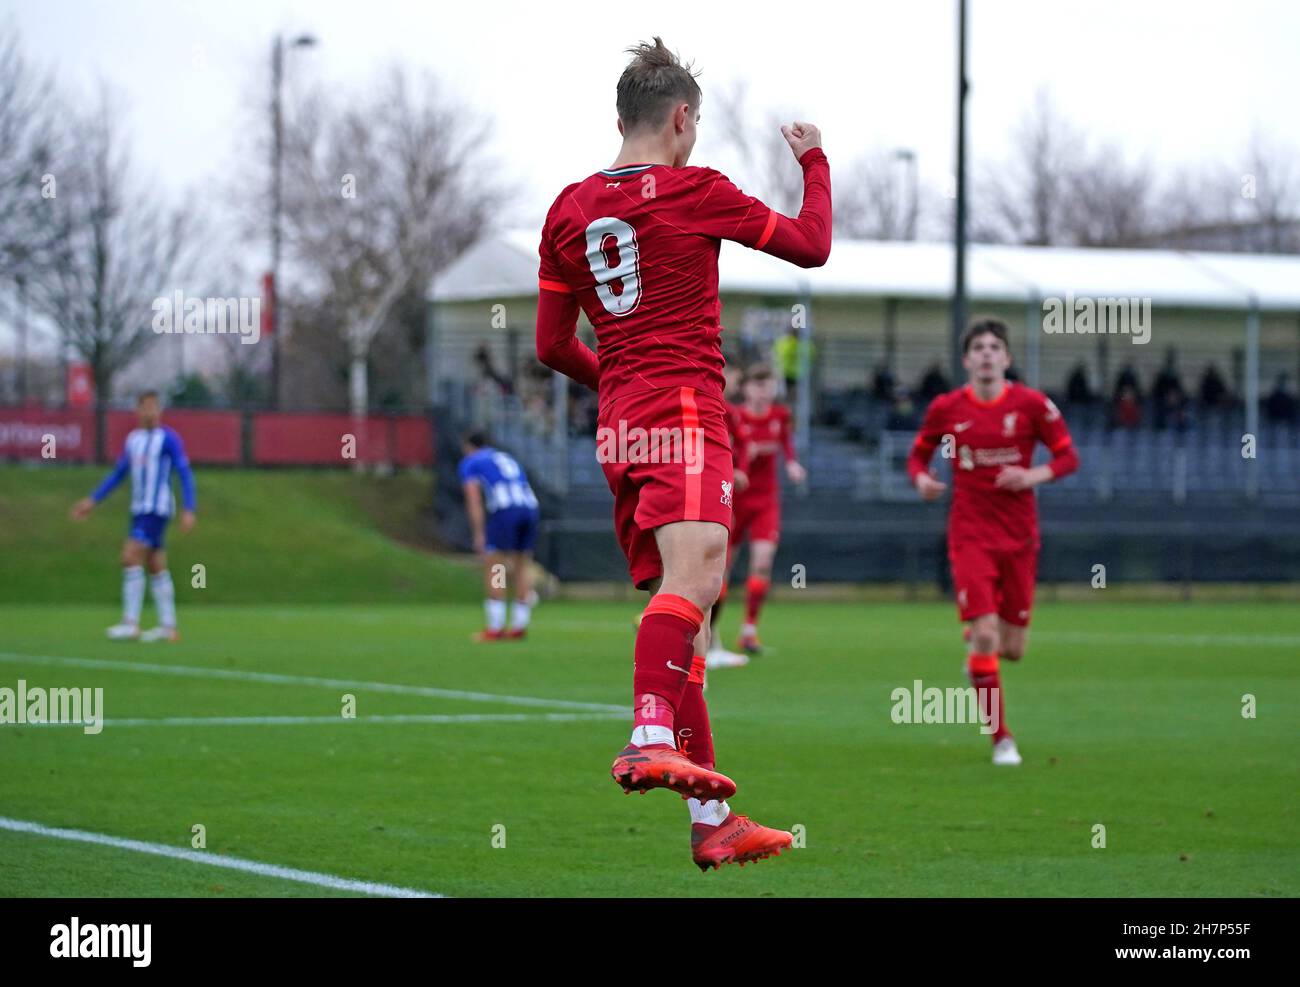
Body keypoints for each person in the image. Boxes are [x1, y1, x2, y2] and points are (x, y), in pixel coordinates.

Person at [533, 37, 831, 869]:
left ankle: (712, 822)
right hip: (686, 407)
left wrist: (614, 382)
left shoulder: (568, 208)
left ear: (617, 118)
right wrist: (815, 164)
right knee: (696, 585)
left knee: (688, 618)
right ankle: (646, 737)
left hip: (622, 422)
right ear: (681, 118)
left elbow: (551, 344)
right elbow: (811, 246)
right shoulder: (697, 190)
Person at [906, 318, 1079, 766]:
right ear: (966, 360)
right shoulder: (947, 407)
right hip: (970, 534)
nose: (986, 353)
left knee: (1013, 649)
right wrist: (922, 479)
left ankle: (980, 657)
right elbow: (918, 456)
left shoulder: (1032, 405)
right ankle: (1002, 739)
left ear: (1007, 358)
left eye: (994, 347)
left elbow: (1068, 457)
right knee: (985, 636)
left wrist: (1031, 475)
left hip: (1020, 537)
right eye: (978, 347)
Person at [71, 391, 196, 642]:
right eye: (145, 407)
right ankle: (168, 627)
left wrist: (189, 508)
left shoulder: (168, 439)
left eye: (154, 407)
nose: (150, 412)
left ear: (160, 411)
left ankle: (131, 623)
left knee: (129, 557)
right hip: (139, 509)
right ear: (137, 411)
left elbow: (184, 473)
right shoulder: (133, 440)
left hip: (157, 509)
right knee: (154, 564)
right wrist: (92, 500)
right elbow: (118, 474)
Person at [728, 364, 805, 655]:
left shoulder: (780, 416)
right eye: (758, 385)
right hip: (735, 499)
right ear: (746, 388)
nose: (764, 391)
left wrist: (793, 464)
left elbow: (787, 444)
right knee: (721, 567)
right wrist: (742, 458)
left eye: (768, 385)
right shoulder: (734, 417)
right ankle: (707, 634)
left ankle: (749, 631)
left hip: (766, 500)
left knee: (762, 563)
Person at [458, 432, 540, 641]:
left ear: (468, 446)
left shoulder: (471, 461)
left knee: (496, 566)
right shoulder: (505, 456)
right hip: (530, 508)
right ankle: (519, 626)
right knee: (522, 565)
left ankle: (495, 628)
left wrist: (479, 533)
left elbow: (473, 499)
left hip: (505, 511)